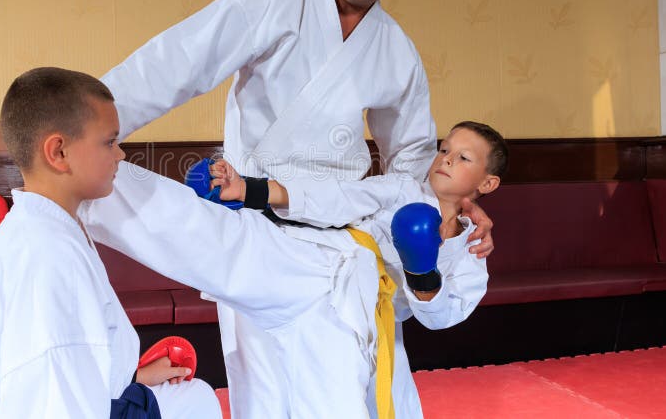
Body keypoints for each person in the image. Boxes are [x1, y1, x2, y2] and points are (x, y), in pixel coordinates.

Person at [0, 0, 498, 415]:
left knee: (344, 395)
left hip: (338, 246)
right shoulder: (271, 2)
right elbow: (173, 65)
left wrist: (454, 211)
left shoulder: (396, 54)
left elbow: (414, 168)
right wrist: (53, 131)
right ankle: (44, 146)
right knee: (263, 393)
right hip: (249, 228)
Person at [77, 120, 508, 418]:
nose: (446, 159)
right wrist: (249, 190)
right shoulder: (400, 188)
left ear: (487, 183)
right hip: (313, 262)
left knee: (334, 406)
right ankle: (78, 179)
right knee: (203, 231)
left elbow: (443, 316)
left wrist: (422, 272)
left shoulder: (472, 249)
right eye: (444, 149)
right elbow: (335, 198)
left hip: (352, 320)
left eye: (463, 158)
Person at [0, 68, 222, 419]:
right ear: (59, 152)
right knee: (196, 402)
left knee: (193, 394)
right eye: (109, 142)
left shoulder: (41, 226)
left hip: (46, 397)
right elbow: (57, 399)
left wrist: (132, 377)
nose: (120, 155)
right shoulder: (50, 258)